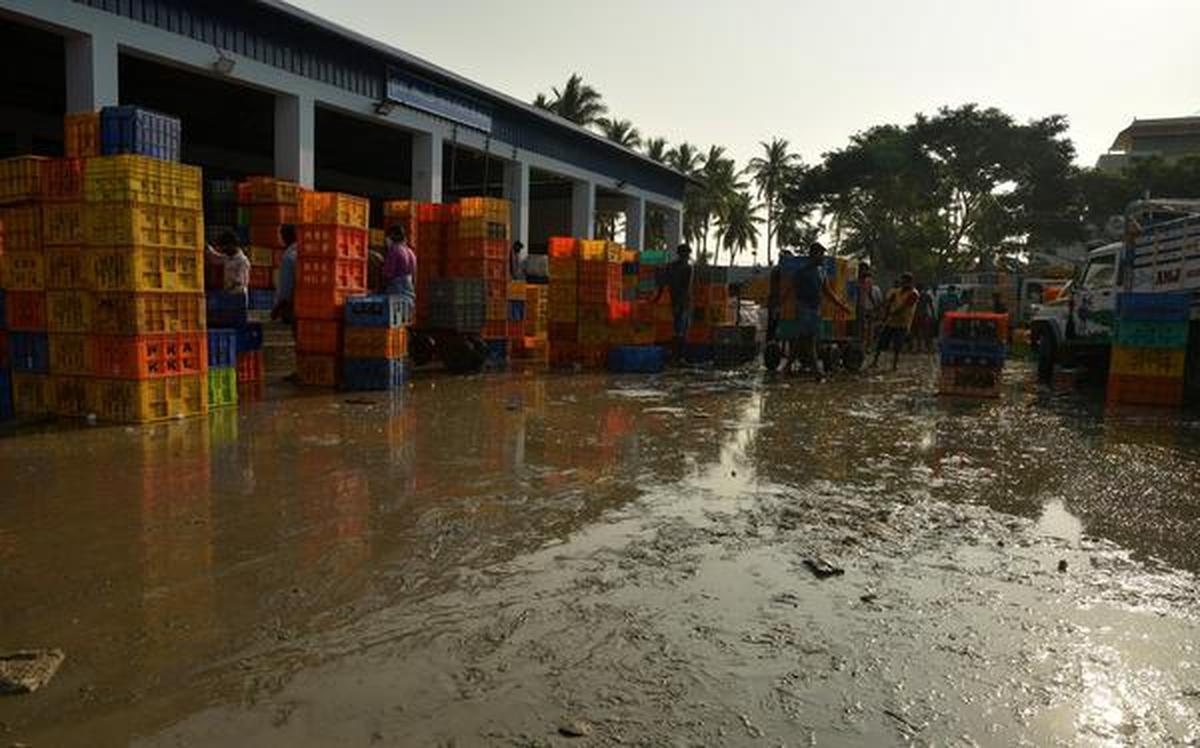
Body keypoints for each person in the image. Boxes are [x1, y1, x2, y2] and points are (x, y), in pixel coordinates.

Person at [791, 242, 851, 374]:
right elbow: (793, 290)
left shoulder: (821, 272)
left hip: (815, 309)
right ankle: (816, 370)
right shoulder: (802, 272)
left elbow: (828, 292)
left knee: (804, 338)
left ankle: (789, 365)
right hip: (804, 308)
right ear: (813, 254)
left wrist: (842, 306)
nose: (822, 257)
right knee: (809, 339)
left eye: (823, 254)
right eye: (820, 254)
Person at [654, 244, 694, 363]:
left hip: (675, 301)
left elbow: (662, 283)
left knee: (677, 330)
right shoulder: (687, 268)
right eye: (687, 254)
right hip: (683, 302)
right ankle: (679, 357)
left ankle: (675, 356)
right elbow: (686, 288)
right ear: (685, 254)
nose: (687, 256)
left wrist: (657, 298)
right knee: (682, 331)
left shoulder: (670, 267)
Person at [871, 272, 920, 371]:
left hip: (903, 323)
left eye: (905, 281)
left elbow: (905, 306)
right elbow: (887, 303)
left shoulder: (914, 293)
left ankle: (894, 365)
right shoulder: (896, 291)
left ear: (910, 282)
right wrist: (881, 312)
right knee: (881, 342)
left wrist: (891, 313)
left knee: (897, 345)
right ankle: (874, 362)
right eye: (902, 281)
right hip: (891, 321)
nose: (903, 283)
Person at [205, 230, 250, 300]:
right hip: (228, 295)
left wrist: (226, 291)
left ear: (232, 245)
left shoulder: (242, 261)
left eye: (225, 247)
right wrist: (207, 247)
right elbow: (215, 258)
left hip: (238, 297)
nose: (224, 250)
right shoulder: (227, 257)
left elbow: (239, 282)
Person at [381, 224, 417, 311]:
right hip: (409, 290)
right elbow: (414, 275)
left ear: (391, 237)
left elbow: (388, 273)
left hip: (396, 290)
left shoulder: (394, 250)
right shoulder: (410, 252)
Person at [271, 224, 298, 325]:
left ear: (284, 237)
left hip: (291, 307)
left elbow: (286, 287)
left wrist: (277, 308)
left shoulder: (288, 257)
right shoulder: (304, 252)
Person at [855, 263, 883, 353]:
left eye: (864, 269)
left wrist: (876, 307)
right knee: (862, 327)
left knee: (869, 328)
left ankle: (867, 347)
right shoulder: (855, 280)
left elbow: (870, 294)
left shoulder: (868, 281)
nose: (863, 271)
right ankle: (862, 346)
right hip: (859, 306)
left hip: (867, 307)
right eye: (862, 269)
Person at [913, 285, 937, 353]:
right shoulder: (918, 295)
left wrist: (933, 314)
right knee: (921, 332)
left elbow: (931, 305)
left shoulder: (923, 295)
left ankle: (923, 347)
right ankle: (922, 347)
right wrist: (933, 314)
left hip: (921, 315)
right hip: (920, 315)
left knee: (923, 332)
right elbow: (931, 306)